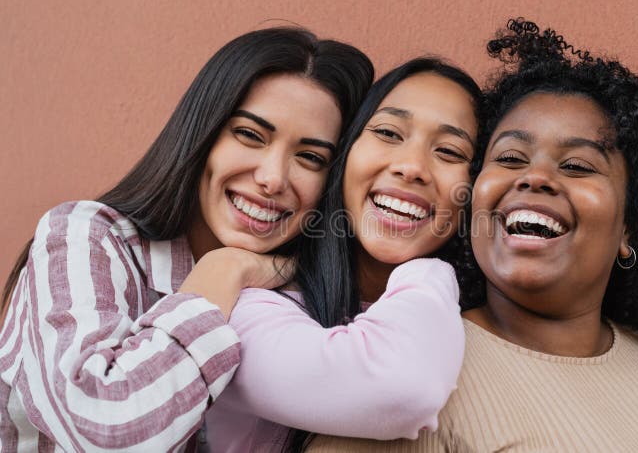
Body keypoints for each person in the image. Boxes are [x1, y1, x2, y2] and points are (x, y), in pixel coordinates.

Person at [307, 19, 638, 452]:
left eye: (578, 165)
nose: (534, 177)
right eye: (510, 159)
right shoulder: (409, 368)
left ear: (631, 227)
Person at [0, 27, 373, 451]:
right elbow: (105, 432)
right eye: (250, 135)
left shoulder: (305, 297)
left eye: (310, 157)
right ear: (203, 134)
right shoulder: (86, 237)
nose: (272, 178)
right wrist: (222, 273)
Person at [204, 57, 482, 452]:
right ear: (344, 154)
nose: (411, 167)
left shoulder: (473, 327)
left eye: (451, 152)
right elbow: (400, 388)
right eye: (388, 132)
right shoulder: (247, 306)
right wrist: (433, 271)